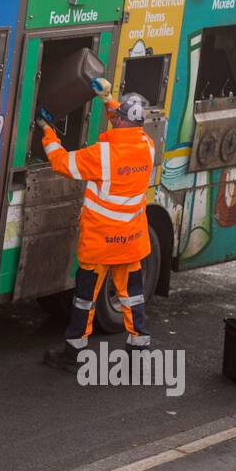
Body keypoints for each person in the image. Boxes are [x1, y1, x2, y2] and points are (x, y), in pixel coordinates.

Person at [38, 90, 157, 370]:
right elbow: (126, 118)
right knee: (132, 296)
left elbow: (61, 162)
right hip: (130, 241)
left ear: (123, 121)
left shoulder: (102, 154)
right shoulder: (147, 145)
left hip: (100, 243)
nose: (113, 118)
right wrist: (109, 100)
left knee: (84, 300)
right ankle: (139, 349)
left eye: (116, 116)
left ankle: (74, 354)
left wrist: (47, 133)